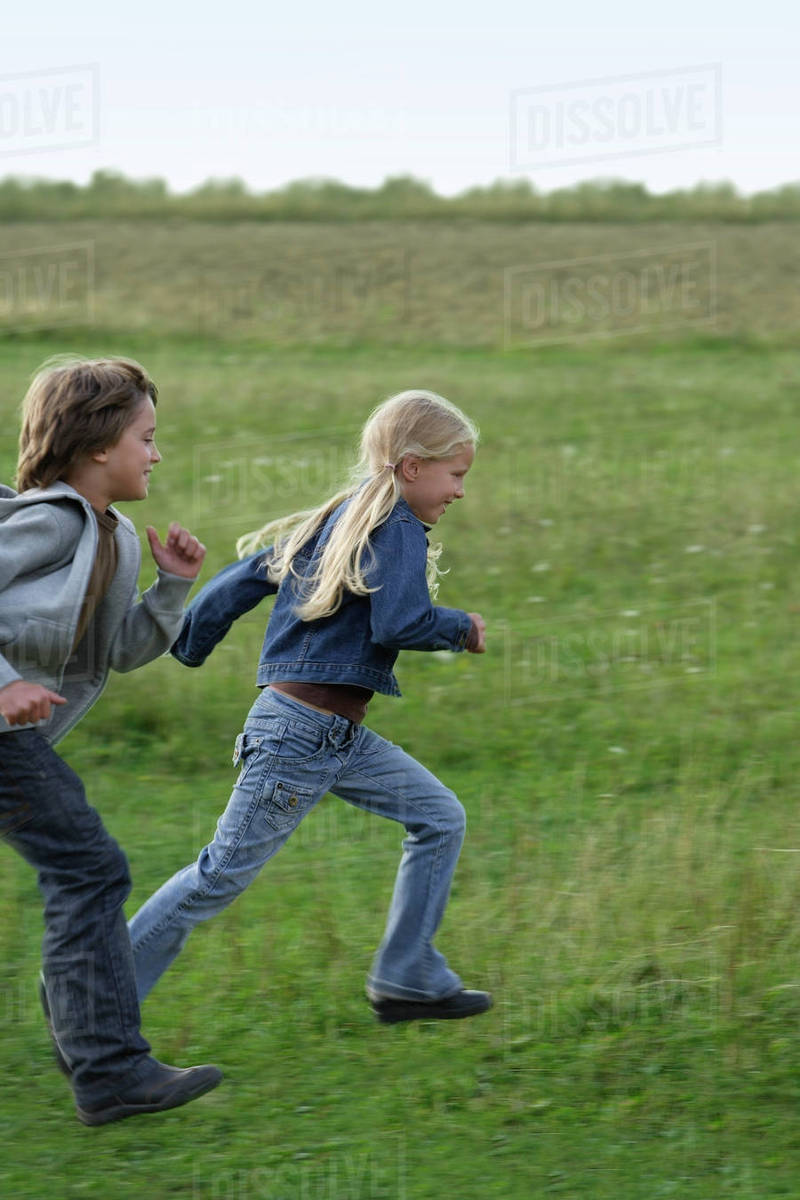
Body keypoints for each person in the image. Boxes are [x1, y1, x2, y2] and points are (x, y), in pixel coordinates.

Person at [129, 389, 491, 1024]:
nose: (459, 491)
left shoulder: (342, 519)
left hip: (330, 737)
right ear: (412, 466)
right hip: (302, 735)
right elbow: (400, 621)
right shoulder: (397, 526)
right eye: (455, 474)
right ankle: (95, 991)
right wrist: (457, 627)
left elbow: (244, 577)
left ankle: (405, 977)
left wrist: (189, 642)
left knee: (440, 817)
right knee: (216, 879)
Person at [0, 357, 222, 1125]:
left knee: (86, 870)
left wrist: (171, 586)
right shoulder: (49, 520)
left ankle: (99, 1056)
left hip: (12, 734)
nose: (157, 455)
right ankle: (109, 1069)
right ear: (98, 446)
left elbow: (119, 651)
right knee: (90, 868)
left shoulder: (117, 537)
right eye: (147, 438)